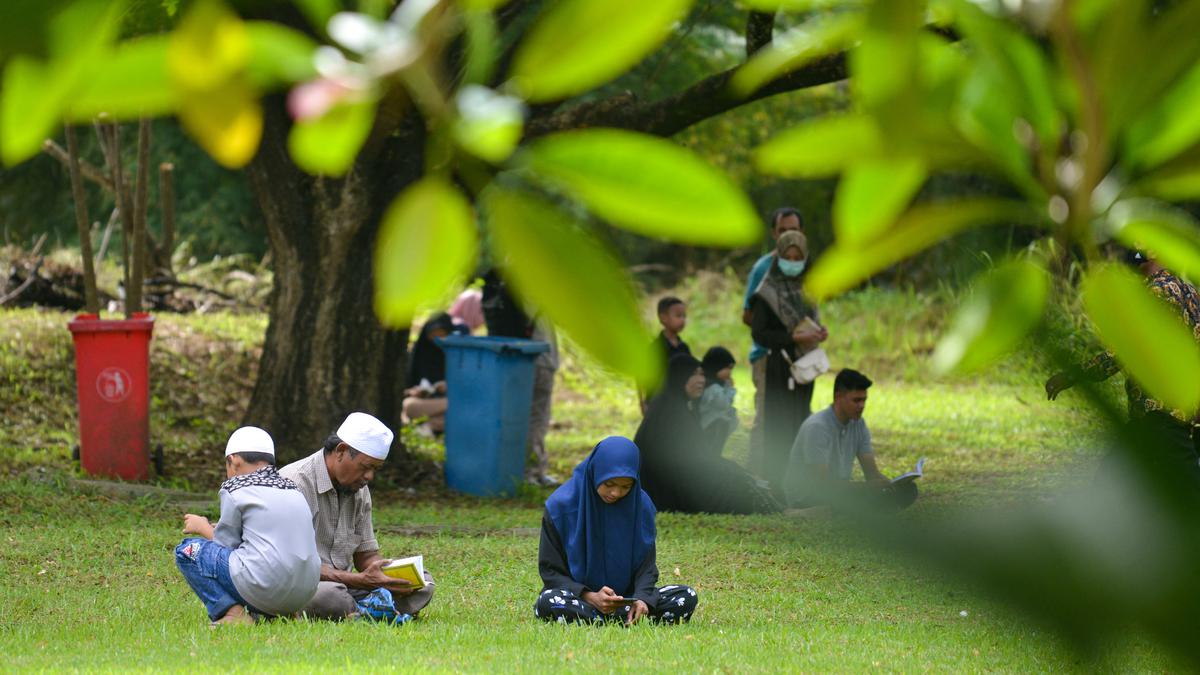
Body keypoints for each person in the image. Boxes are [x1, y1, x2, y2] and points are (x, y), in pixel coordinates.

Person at [1045, 250, 1200, 485]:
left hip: (1159, 415)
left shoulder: (1155, 292)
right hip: (1169, 414)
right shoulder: (1190, 292)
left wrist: (1073, 374)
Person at [280, 412, 436, 623]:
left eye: (375, 469)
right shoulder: (295, 483)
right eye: (366, 467)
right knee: (331, 597)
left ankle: (362, 610)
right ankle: (370, 610)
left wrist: (385, 575)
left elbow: (366, 555)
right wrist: (362, 580)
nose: (370, 477)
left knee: (423, 581)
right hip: (301, 583)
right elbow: (294, 566)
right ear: (341, 451)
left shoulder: (358, 488)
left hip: (349, 585)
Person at [534, 436, 699, 625]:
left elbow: (647, 567)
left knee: (686, 596)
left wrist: (642, 599)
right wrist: (589, 595)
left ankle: (612, 618)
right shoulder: (560, 507)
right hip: (580, 598)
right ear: (595, 472)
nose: (616, 493)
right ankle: (616, 619)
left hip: (626, 600)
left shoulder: (641, 506)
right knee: (548, 601)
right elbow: (550, 571)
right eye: (609, 484)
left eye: (625, 487)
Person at [175, 427, 320, 625]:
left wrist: (202, 527)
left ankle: (234, 614)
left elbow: (225, 545)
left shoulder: (236, 488)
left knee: (187, 551)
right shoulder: (293, 489)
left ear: (234, 462)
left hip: (266, 584)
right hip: (305, 591)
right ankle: (285, 615)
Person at [635, 354, 780, 514]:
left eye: (702, 374)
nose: (701, 380)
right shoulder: (670, 412)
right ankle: (776, 511)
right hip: (667, 491)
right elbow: (684, 463)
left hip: (677, 481)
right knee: (733, 481)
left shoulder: (676, 405)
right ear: (679, 376)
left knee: (734, 474)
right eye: (693, 374)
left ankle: (778, 509)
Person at [749, 230, 827, 497]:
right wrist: (792, 337)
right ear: (778, 256)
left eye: (798, 257)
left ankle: (799, 484)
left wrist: (817, 332)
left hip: (804, 365)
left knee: (801, 419)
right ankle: (775, 485)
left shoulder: (808, 289)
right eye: (787, 256)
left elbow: (810, 319)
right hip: (779, 366)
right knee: (778, 424)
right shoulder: (766, 292)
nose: (793, 262)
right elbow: (759, 333)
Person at [784, 369, 917, 511]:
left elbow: (872, 474)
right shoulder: (817, 427)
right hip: (808, 496)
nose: (861, 406)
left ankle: (870, 509)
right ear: (838, 397)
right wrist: (867, 488)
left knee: (908, 490)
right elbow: (821, 485)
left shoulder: (858, 424)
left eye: (864, 400)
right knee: (862, 500)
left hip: (839, 491)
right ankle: (810, 512)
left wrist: (892, 485)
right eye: (856, 400)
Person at [743, 208, 804, 475]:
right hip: (767, 357)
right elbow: (748, 315)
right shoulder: (762, 268)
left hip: (799, 358)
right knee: (766, 418)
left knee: (796, 416)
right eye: (783, 230)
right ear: (773, 233)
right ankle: (756, 481)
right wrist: (783, 330)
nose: (789, 235)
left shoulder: (804, 268)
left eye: (794, 230)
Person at [402, 313, 454, 433]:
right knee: (409, 405)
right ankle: (429, 425)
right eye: (434, 334)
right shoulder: (419, 354)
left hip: (449, 403)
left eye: (442, 334)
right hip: (424, 404)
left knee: (461, 409)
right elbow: (404, 389)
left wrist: (447, 387)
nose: (438, 338)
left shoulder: (456, 357)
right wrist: (415, 392)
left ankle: (428, 426)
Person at [640, 296, 692, 412]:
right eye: (678, 316)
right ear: (663, 318)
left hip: (680, 402)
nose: (683, 320)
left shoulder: (684, 347)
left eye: (684, 316)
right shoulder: (656, 348)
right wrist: (646, 401)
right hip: (659, 403)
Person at [698, 346, 739, 458]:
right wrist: (730, 387)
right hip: (710, 427)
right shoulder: (713, 388)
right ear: (717, 366)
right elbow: (724, 404)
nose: (730, 372)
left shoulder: (713, 384)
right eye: (728, 368)